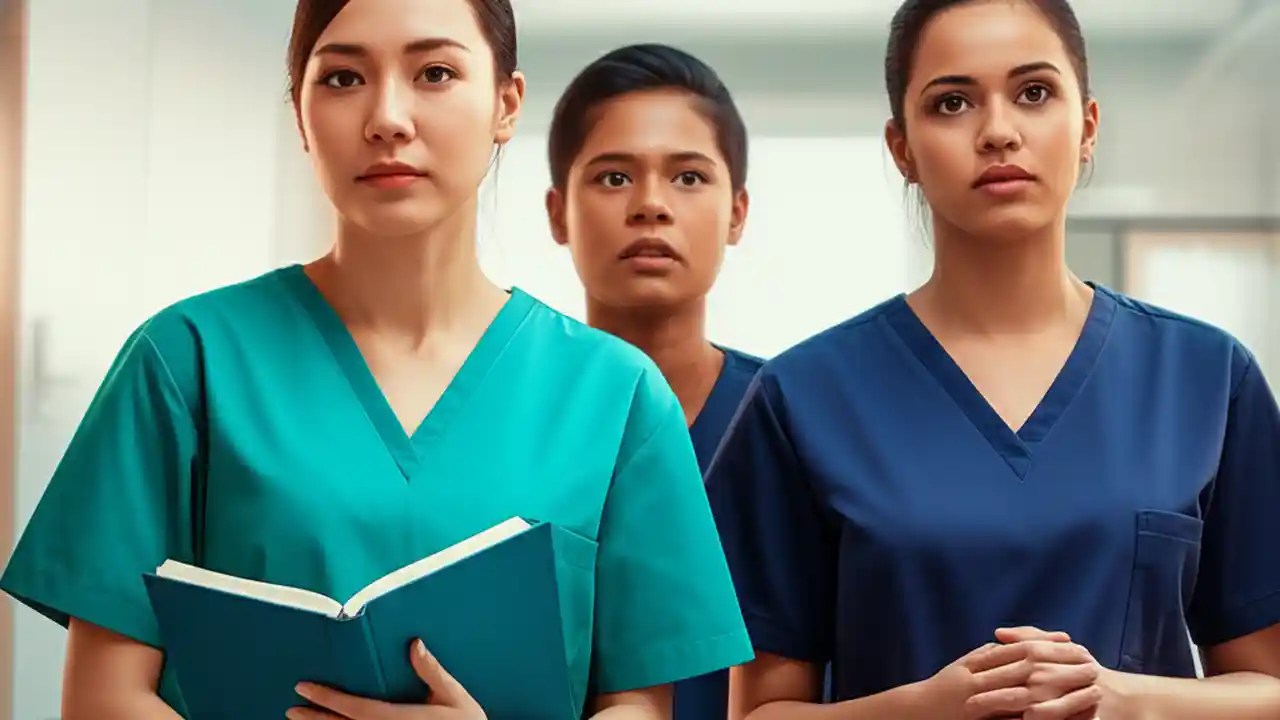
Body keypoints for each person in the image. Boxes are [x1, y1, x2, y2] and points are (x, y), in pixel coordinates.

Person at [0, 1, 753, 718]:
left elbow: (638, 707)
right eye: (342, 78)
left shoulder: (616, 397)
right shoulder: (185, 360)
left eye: (434, 74)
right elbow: (103, 699)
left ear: (506, 103)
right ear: (300, 112)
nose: (388, 119)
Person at [706, 0, 1280, 718]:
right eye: (952, 103)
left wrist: (1123, 697)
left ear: (1088, 127)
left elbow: (1269, 691)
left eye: (1035, 93)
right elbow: (760, 711)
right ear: (902, 148)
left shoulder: (1206, 379)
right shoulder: (802, 397)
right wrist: (927, 709)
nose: (1000, 132)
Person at [544, 44, 763, 719]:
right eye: (613, 177)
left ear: (737, 213)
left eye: (689, 178)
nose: (650, 206)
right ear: (558, 213)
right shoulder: (508, 417)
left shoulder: (788, 420)